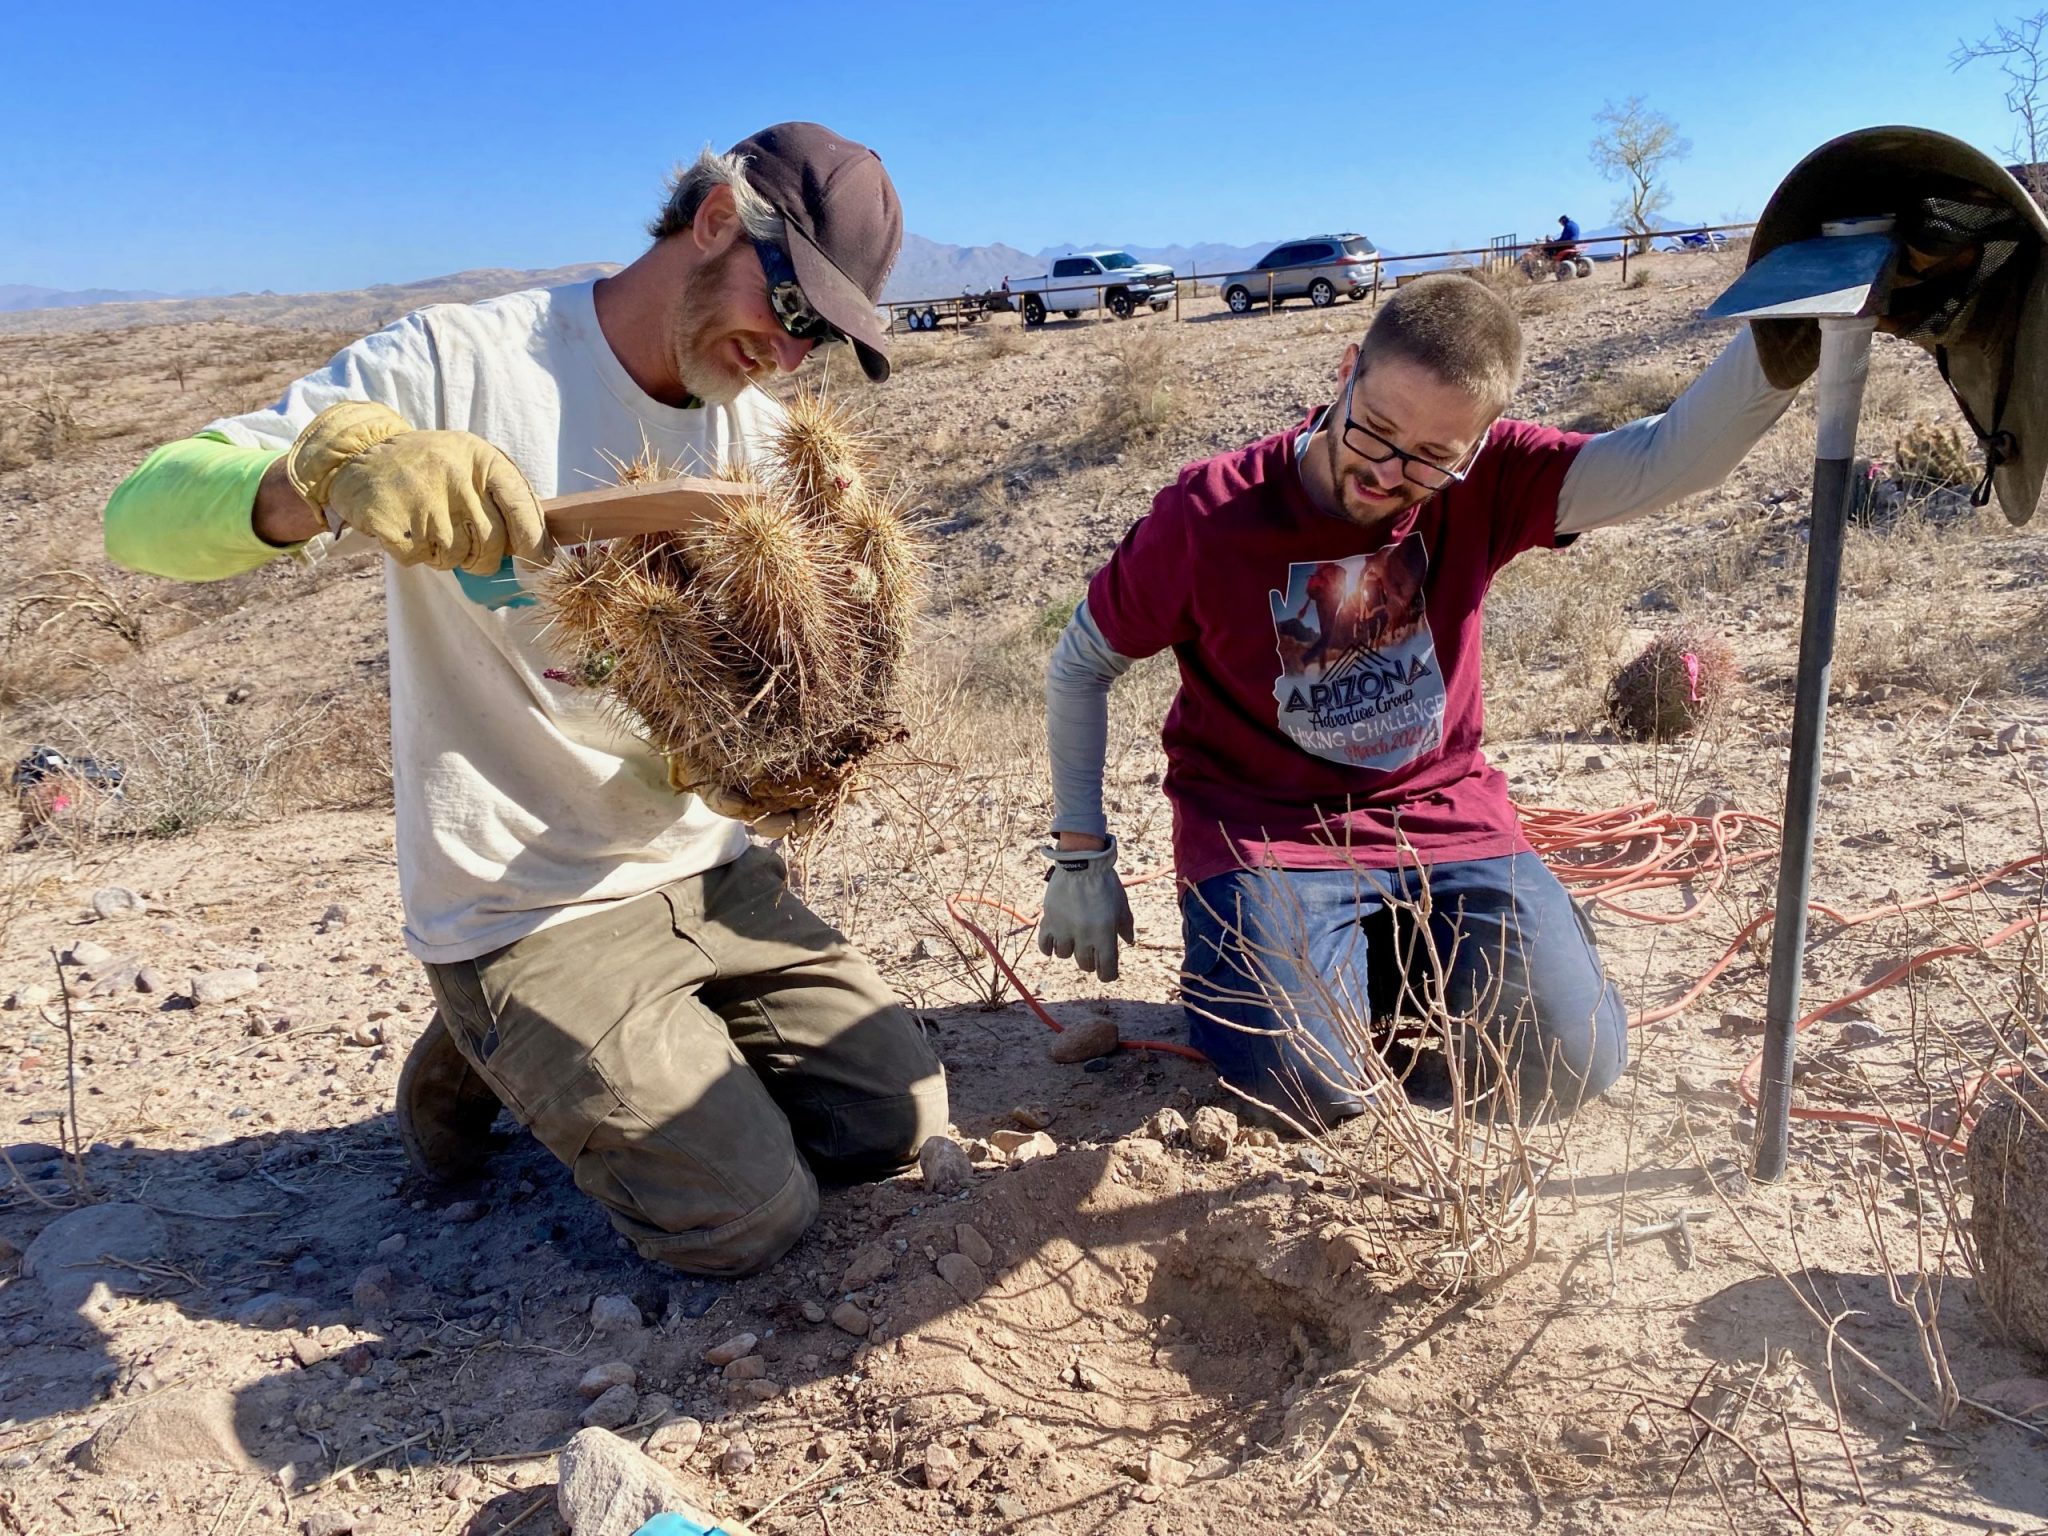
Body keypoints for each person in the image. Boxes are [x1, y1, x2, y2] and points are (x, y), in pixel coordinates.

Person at [101, 123, 948, 1277]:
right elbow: (141, 513)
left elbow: (761, 669)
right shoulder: (459, 365)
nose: (791, 357)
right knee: (745, 1219)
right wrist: (325, 475)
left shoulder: (752, 435)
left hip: (705, 869)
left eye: (824, 341)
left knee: (891, 1123)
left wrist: (776, 748)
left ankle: (555, 1038)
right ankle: (493, 1017)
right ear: (712, 220)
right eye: (792, 309)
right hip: (525, 895)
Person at [1036, 273, 1800, 1127]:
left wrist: (1790, 323)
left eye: (1434, 457)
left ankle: (1443, 956)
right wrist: (1079, 854)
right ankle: (1287, 975)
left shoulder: (1496, 479)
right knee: (1304, 1088)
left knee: (1572, 1063)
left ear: (1476, 444)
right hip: (1269, 837)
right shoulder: (1210, 514)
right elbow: (1079, 664)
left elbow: (1669, 459)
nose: (1388, 473)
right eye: (1377, 430)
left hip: (1443, 822)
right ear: (1346, 371)